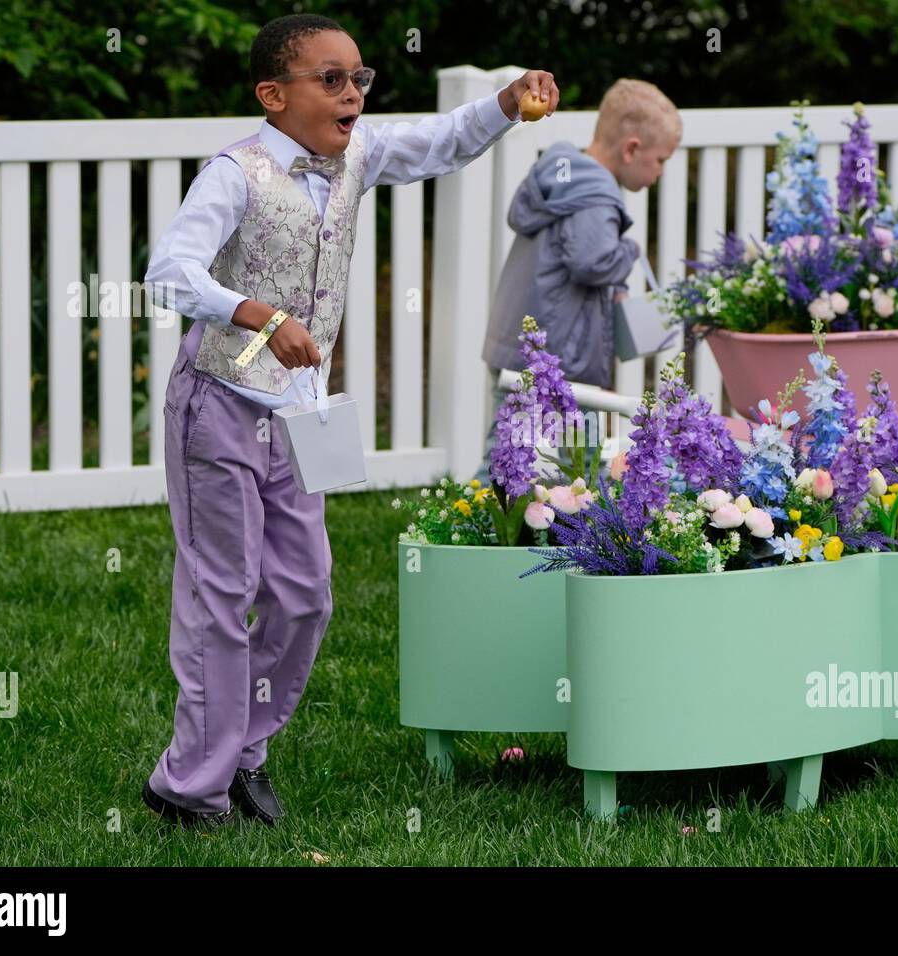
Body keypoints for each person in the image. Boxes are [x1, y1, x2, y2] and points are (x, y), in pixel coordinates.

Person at [143, 12, 558, 827]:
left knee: (305, 595)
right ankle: (189, 785)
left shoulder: (357, 155)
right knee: (221, 594)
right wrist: (260, 315)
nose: (353, 94)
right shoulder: (234, 174)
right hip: (219, 404)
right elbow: (168, 271)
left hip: (298, 413)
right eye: (330, 79)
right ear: (273, 95)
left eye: (359, 78)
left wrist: (507, 103)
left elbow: (440, 142)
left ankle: (245, 751)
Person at [476, 78, 681, 483]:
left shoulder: (567, 176)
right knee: (527, 466)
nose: (660, 172)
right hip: (560, 357)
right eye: (660, 160)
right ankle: (472, 522)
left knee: (526, 457)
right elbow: (592, 262)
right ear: (632, 149)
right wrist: (629, 251)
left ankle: (541, 520)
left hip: (527, 348)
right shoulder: (597, 192)